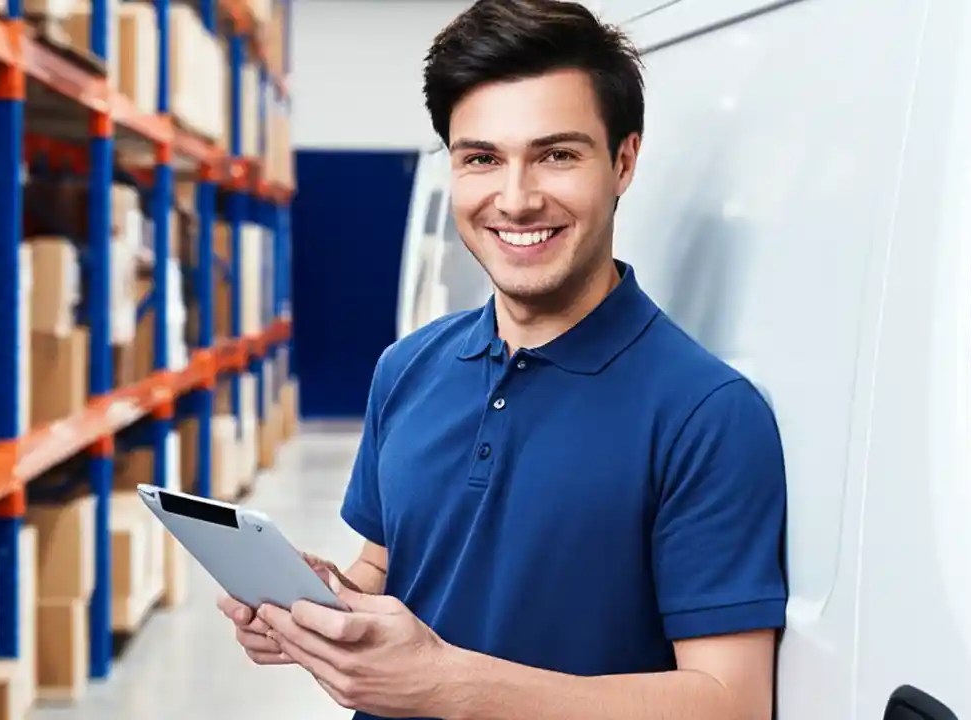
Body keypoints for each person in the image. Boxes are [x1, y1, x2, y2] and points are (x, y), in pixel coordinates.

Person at [217, 1, 789, 717]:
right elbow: (386, 568)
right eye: (482, 158)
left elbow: (730, 701)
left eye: (557, 155)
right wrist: (320, 609)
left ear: (623, 161)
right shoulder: (407, 368)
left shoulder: (706, 415)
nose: (515, 201)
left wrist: (447, 683)